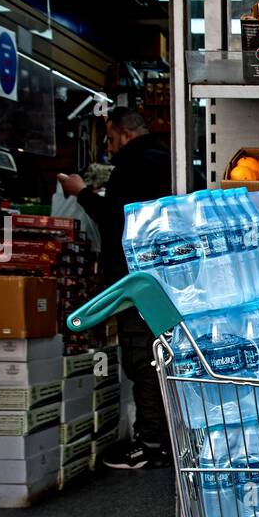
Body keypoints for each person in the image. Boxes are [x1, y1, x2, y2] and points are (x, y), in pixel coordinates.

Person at [59, 107, 172, 470]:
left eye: (109, 138)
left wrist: (82, 193)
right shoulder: (170, 159)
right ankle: (166, 439)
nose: (109, 146)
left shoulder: (135, 163)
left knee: (144, 359)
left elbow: (116, 219)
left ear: (124, 133)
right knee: (161, 358)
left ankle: (151, 443)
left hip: (137, 283)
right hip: (168, 280)